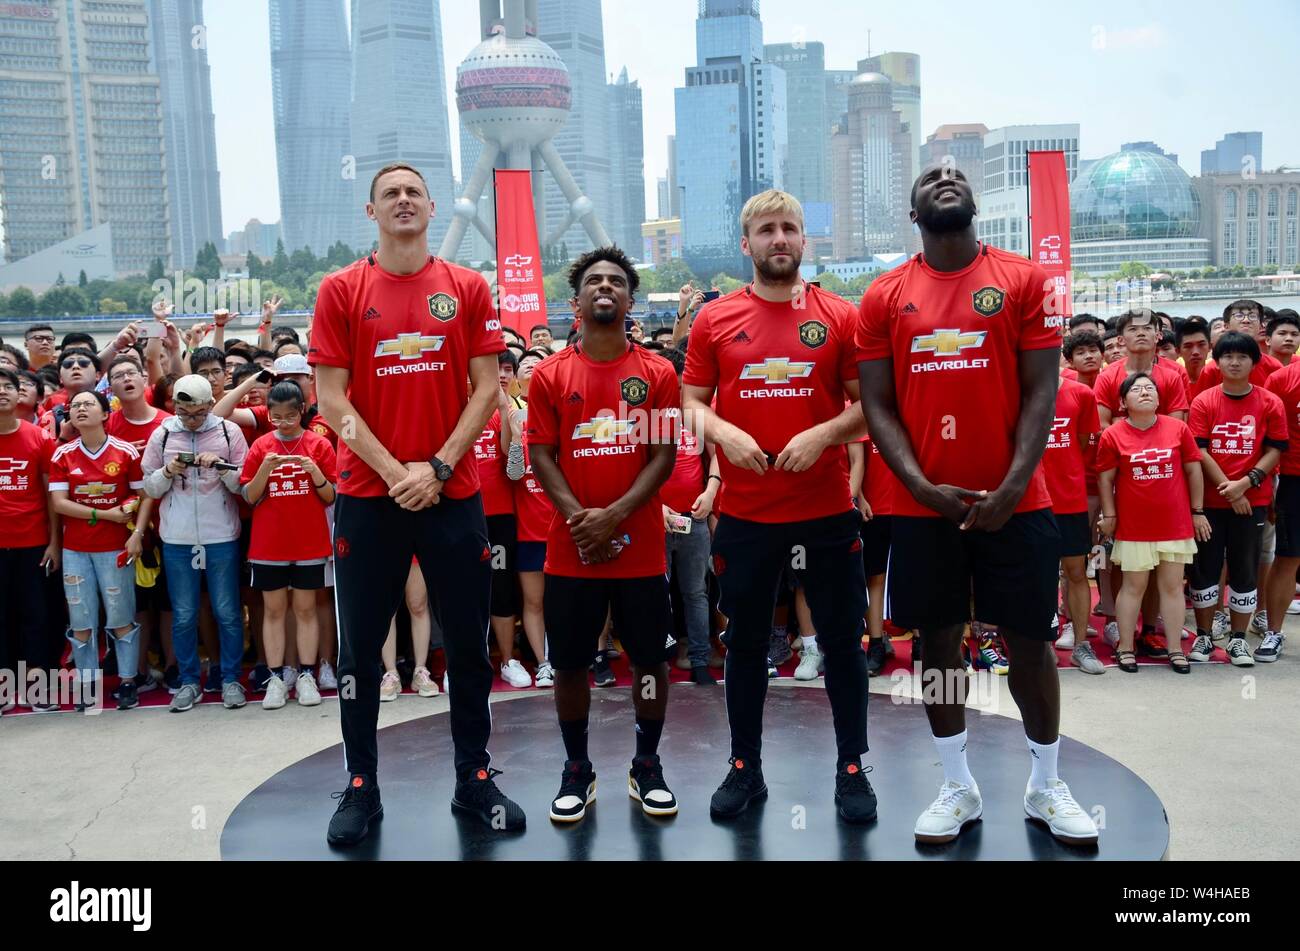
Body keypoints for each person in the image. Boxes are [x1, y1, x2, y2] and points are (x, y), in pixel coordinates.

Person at [858, 164, 1097, 846]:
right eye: (930, 176)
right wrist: (922, 486)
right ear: (913, 213)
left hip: (1018, 505)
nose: (944, 176)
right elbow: (877, 406)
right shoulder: (884, 295)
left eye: (956, 175)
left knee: (1029, 642)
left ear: (973, 205)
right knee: (937, 642)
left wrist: (1016, 484)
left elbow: (1040, 394)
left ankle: (1046, 783)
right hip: (924, 507)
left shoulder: (1025, 281)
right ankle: (957, 784)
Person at [311, 162, 524, 846]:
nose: (402, 201)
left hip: (453, 494)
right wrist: (396, 471)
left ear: (433, 207)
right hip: (368, 499)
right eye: (389, 194)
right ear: (369, 211)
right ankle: (360, 787)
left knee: (467, 644)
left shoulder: (466, 287)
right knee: (357, 657)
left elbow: (487, 389)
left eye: (413, 192)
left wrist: (435, 467)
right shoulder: (342, 289)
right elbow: (332, 402)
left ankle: (474, 775)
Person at [684, 189, 875, 824]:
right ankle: (744, 767)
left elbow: (869, 405)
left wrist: (822, 434)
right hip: (746, 515)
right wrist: (724, 432)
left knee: (844, 644)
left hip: (824, 510)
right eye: (766, 230)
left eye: (790, 228)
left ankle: (851, 767)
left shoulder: (839, 316)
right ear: (747, 244)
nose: (780, 239)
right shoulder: (715, 320)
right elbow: (689, 403)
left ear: (804, 240)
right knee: (743, 645)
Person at [527, 247, 679, 823]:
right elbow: (541, 454)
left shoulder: (658, 373)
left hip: (638, 547)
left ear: (630, 299)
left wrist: (614, 515)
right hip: (572, 548)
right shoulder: (549, 374)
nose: (606, 287)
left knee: (648, 661)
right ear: (577, 300)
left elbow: (662, 457)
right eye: (595, 281)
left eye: (617, 280)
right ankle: (576, 770)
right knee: (569, 664)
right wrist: (582, 521)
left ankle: (646, 765)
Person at [141, 375, 249, 712]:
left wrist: (219, 467)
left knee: (228, 612)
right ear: (175, 406)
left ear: (210, 405)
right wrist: (170, 470)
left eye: (199, 413)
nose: (192, 420)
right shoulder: (163, 434)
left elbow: (243, 483)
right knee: (184, 614)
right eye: (185, 413)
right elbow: (150, 486)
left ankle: (230, 679)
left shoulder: (229, 431)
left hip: (221, 534)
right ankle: (189, 682)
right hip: (177, 537)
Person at [1185, 333, 1287, 668]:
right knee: (1205, 569)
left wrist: (1245, 484)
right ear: (1218, 360)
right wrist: (1228, 487)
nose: (1234, 362)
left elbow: (1275, 450)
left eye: (1242, 356)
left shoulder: (1270, 402)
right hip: (1211, 503)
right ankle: (1202, 635)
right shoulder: (1204, 401)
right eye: (1227, 356)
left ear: (1254, 362)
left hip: (1251, 501)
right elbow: (1199, 449)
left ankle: (1238, 641)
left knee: (1244, 570)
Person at [1097, 372, 1208, 674]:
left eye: (1150, 389)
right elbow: (1105, 479)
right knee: (1133, 586)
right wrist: (1109, 516)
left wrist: (1197, 511)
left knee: (1172, 587)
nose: (1145, 393)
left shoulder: (1178, 428)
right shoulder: (1113, 434)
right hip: (1133, 526)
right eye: (1137, 389)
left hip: (1174, 522)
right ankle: (1125, 647)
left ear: (1159, 399)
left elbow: (1194, 471)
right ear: (1122, 402)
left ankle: (1175, 649)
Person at [49, 390, 153, 709]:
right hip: (75, 551)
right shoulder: (62, 455)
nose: (80, 409)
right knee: (81, 621)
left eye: (88, 405)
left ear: (106, 414)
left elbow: (144, 495)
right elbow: (60, 503)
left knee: (121, 616)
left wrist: (136, 530)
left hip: (115, 549)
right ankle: (87, 684)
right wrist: (104, 514)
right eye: (75, 406)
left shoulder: (125, 453)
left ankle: (127, 682)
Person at [240, 382, 337, 708]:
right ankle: (278, 678)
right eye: (276, 416)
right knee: (274, 611)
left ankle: (307, 675)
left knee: (306, 609)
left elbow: (331, 496)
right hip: (269, 545)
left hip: (309, 543)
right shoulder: (261, 448)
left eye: (289, 416)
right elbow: (250, 497)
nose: (282, 423)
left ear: (302, 412)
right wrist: (264, 471)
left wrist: (316, 476)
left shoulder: (319, 445)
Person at [0, 367, 60, 713]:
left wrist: (54, 542)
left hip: (33, 542)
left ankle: (39, 688)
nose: (4, 392)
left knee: (36, 616)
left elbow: (50, 494)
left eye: (9, 386)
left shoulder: (39, 438)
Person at [660, 347, 720, 686]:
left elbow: (717, 456)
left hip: (694, 517)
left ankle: (699, 661)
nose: (678, 392)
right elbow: (633, 468)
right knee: (657, 592)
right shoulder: (646, 416)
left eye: (683, 385)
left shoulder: (697, 415)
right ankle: (660, 659)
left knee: (696, 592)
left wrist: (711, 492)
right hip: (656, 519)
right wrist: (656, 505)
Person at [478, 350, 536, 688]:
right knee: (466, 591)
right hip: (463, 513)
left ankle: (507, 659)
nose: (501, 374)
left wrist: (502, 408)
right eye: (494, 368)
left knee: (501, 590)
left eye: (507, 369)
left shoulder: (512, 414)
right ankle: (467, 664)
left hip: (501, 516)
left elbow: (508, 461)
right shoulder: (459, 409)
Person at [1044, 367, 1105, 673]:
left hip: (1069, 498)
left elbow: (1080, 442)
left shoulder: (1081, 393)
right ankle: (1042, 645)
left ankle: (1082, 645)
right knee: (1037, 575)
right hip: (1031, 500)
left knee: (1076, 572)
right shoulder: (1019, 390)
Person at [1094, 311, 1190, 427]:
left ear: (1157, 336)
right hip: (1121, 445)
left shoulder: (1172, 377)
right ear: (1121, 340)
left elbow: (1177, 426)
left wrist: (1119, 422)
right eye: (1133, 329)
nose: (1140, 333)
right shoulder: (1106, 377)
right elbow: (1102, 425)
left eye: (1147, 328)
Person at [1177, 317, 1213, 389]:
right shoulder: (1174, 381)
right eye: (1188, 346)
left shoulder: (1220, 378)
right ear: (1178, 351)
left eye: (1201, 345)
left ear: (1210, 347)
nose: (1195, 352)